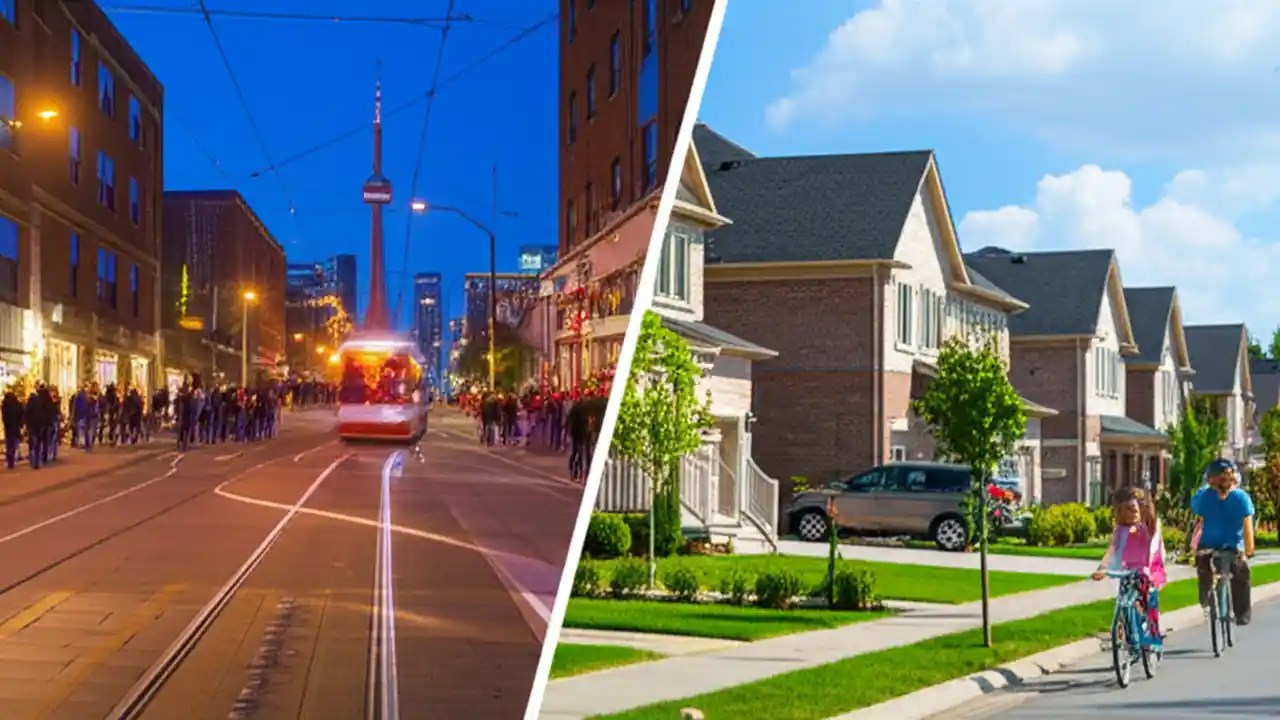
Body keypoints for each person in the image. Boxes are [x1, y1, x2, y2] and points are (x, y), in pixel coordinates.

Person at [1092, 486, 1167, 643]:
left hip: (1146, 570)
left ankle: (1150, 631)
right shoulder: (1120, 530)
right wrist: (1102, 568)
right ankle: (1127, 634)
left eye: (1133, 508)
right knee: (1124, 601)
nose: (1130, 513)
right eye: (1124, 510)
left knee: (1145, 600)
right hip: (1127, 570)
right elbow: (1112, 549)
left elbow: (1153, 533)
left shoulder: (1147, 527)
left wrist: (1149, 506)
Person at [1191, 458, 1255, 625]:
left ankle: (1231, 609)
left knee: (1231, 572)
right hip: (1221, 545)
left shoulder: (1208, 496)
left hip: (1221, 545)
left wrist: (1248, 550)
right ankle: (1227, 609)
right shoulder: (1236, 497)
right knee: (1231, 573)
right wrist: (1249, 550)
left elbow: (1247, 525)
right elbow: (1247, 526)